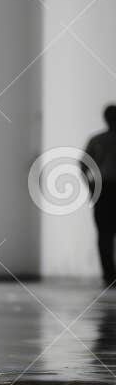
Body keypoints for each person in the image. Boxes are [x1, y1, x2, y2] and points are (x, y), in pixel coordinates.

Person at [82, 105, 116, 286]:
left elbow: (83, 165)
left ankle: (109, 276)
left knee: (104, 235)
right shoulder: (98, 140)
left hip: (103, 190)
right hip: (106, 189)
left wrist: (91, 187)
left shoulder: (97, 140)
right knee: (105, 234)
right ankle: (110, 275)